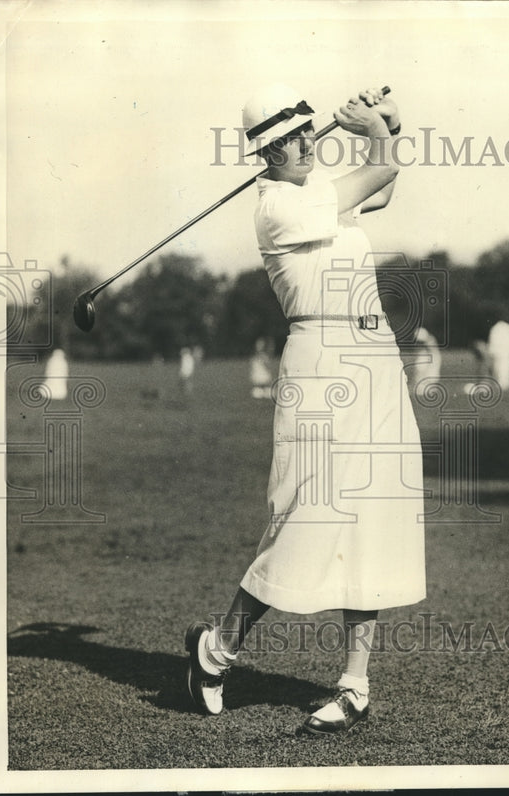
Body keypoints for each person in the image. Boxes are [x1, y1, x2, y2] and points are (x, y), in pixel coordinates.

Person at [185, 84, 426, 735]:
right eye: (280, 142)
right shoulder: (278, 206)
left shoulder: (322, 195)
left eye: (300, 134)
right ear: (262, 153)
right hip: (319, 365)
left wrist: (387, 130)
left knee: (374, 515)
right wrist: (377, 131)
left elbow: (383, 182)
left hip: (374, 358)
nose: (297, 147)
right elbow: (377, 168)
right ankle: (216, 651)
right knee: (303, 518)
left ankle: (355, 685)